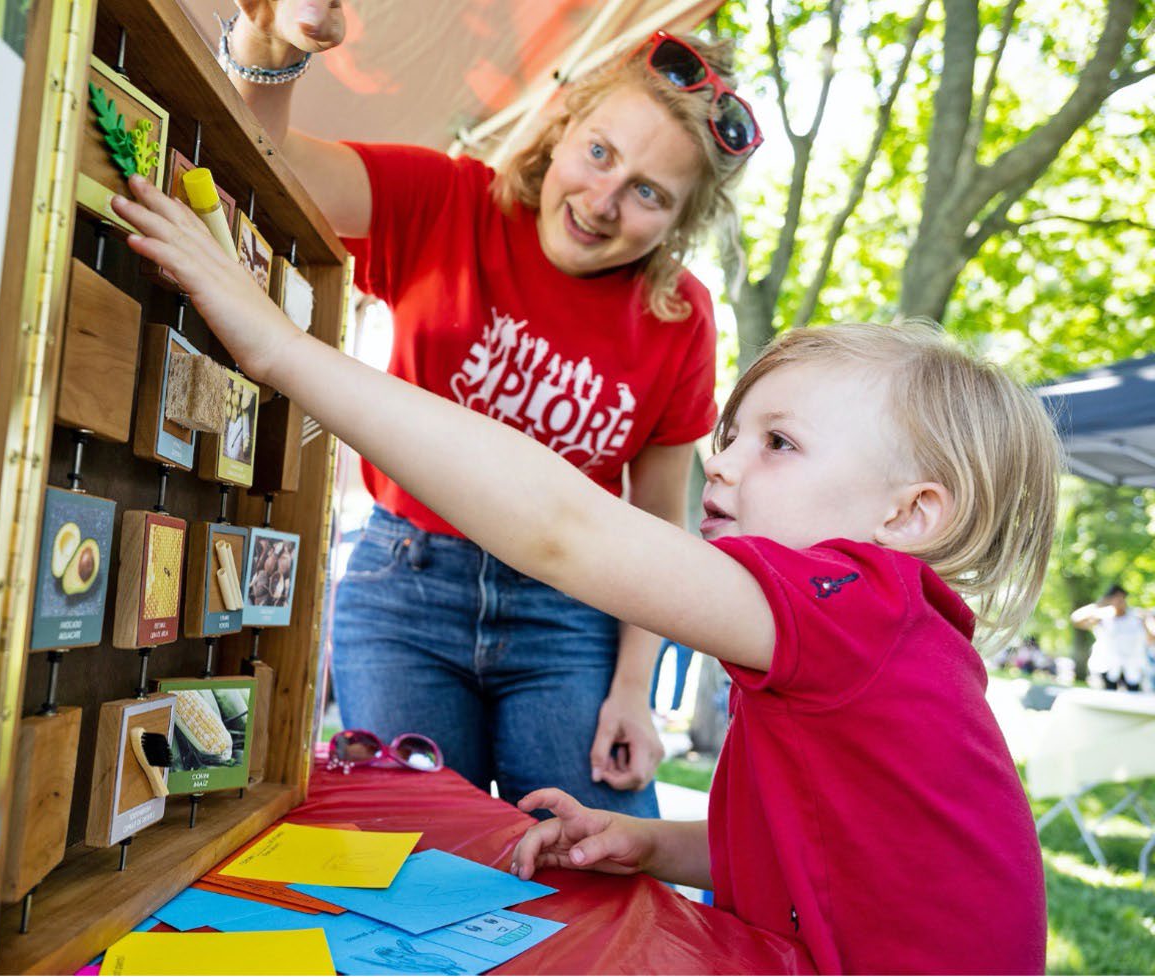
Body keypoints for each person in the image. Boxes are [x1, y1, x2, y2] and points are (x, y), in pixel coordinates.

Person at [112, 180, 1055, 972]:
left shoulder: (859, 600)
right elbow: (833, 856)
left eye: (780, 444)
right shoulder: (876, 637)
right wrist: (657, 843)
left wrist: (281, 350)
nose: (720, 466)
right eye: (731, 437)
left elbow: (563, 527)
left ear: (908, 515)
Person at [217, 1, 761, 814]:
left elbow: (658, 528)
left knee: (596, 858)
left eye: (648, 191)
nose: (604, 200)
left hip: (569, 611)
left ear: (683, 221)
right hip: (406, 592)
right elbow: (265, 166)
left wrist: (633, 693)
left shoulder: (680, 317)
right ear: (562, 125)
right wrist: (267, 45)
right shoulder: (449, 202)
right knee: (419, 857)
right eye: (600, 152)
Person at [1071, 585, 1155, 690]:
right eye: (1115, 598)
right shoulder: (1102, 616)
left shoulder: (1137, 617)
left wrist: (1146, 621)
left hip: (1132, 668)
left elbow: (1151, 639)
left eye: (1122, 598)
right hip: (1107, 666)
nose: (1119, 602)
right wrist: (1099, 604)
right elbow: (1076, 619)